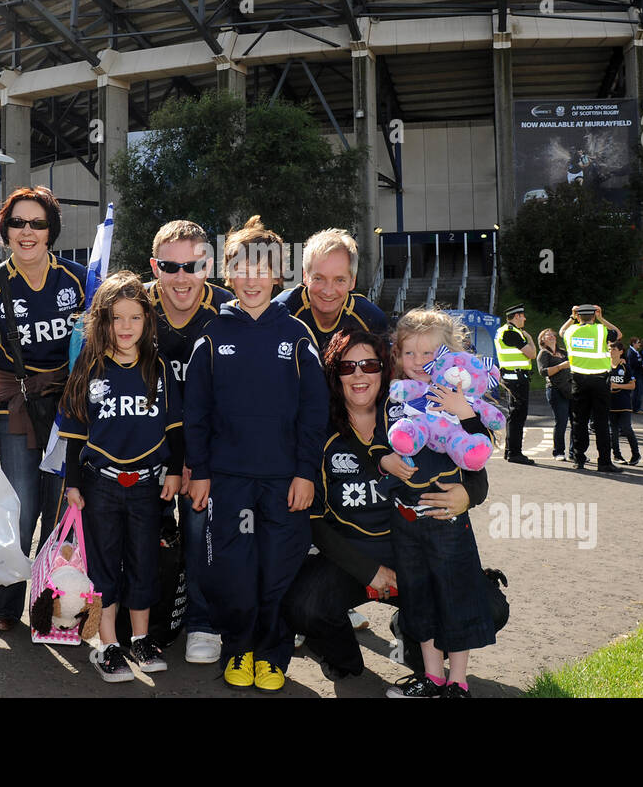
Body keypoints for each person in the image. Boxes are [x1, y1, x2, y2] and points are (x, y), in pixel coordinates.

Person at [282, 329, 488, 681]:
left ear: (385, 370)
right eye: (347, 367)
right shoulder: (320, 432)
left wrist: (470, 494)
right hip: (352, 555)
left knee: (489, 609)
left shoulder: (409, 417)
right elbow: (313, 519)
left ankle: (408, 630)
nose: (359, 374)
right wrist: (369, 572)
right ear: (334, 376)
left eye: (370, 364)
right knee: (304, 606)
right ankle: (343, 660)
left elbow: (471, 464)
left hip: (416, 548)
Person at [185, 216, 328, 692]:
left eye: (262, 268)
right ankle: (239, 648)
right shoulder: (211, 336)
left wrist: (306, 472)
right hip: (228, 480)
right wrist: (200, 471)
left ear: (277, 275)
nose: (251, 279)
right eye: (242, 268)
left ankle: (271, 654)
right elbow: (197, 412)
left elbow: (314, 413)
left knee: (276, 570)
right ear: (228, 273)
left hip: (284, 481)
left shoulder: (296, 336)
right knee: (234, 570)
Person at [0, 185, 86, 633]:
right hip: (15, 406)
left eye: (37, 223)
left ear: (52, 232)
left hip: (68, 410)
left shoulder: (79, 279)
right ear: (5, 230)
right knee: (19, 508)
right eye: (17, 222)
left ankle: (52, 607)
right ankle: (5, 601)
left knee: (59, 510)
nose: (27, 231)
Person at [60, 271, 184, 682]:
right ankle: (107, 644)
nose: (126, 327)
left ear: (147, 321)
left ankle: (141, 639)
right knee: (104, 565)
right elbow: (76, 434)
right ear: (103, 321)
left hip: (148, 485)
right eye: (117, 318)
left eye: (135, 318)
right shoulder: (89, 368)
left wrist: (172, 470)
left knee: (144, 563)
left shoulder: (159, 369)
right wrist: (72, 482)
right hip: (101, 484)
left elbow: (174, 430)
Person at [377, 308, 498, 697]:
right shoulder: (395, 395)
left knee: (455, 596)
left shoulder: (461, 398)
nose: (417, 362)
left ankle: (458, 682)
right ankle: (431, 677)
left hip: (447, 520)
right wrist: (384, 460)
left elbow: (481, 449)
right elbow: (376, 445)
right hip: (406, 521)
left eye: (427, 354)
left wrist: (465, 414)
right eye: (408, 353)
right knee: (420, 599)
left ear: (450, 355)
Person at [145, 219, 233, 665]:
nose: (181, 277)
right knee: (140, 533)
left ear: (209, 265)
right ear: (154, 266)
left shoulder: (230, 311)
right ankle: (138, 622)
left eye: (193, 265)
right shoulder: (132, 307)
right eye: (169, 266)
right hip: (146, 448)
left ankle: (203, 621)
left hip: (204, 452)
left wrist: (199, 464)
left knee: (202, 534)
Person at [273, 227, 388, 356]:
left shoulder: (371, 320)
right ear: (305, 276)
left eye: (339, 280)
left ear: (352, 282)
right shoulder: (280, 312)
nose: (328, 291)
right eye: (319, 278)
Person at [559, 304, 622, 472]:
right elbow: (618, 334)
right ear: (594, 316)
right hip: (599, 381)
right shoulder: (601, 330)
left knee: (579, 421)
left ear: (578, 317)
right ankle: (604, 462)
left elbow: (561, 332)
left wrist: (571, 317)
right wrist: (601, 317)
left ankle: (579, 459)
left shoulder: (570, 332)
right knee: (601, 422)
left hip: (578, 382)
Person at [496, 304, 537, 465]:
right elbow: (532, 354)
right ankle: (515, 453)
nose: (525, 319)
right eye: (523, 316)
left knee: (514, 416)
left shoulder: (505, 331)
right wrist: (531, 339)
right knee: (518, 417)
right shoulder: (511, 333)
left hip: (513, 378)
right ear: (517, 316)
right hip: (516, 380)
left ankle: (510, 451)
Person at [536, 328, 573, 461]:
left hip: (570, 390)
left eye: (553, 335)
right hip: (556, 390)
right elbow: (543, 372)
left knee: (577, 422)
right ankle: (559, 451)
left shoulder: (563, 352)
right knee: (561, 421)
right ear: (542, 340)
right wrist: (561, 366)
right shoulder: (543, 353)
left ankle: (575, 452)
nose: (552, 337)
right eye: (548, 335)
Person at [608, 341, 641, 466]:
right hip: (610, 404)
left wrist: (617, 385)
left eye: (614, 349)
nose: (611, 351)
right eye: (610, 349)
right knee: (613, 431)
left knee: (626, 428)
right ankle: (617, 455)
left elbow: (632, 385)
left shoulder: (625, 367)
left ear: (621, 352)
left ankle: (636, 453)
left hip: (624, 403)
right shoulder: (604, 366)